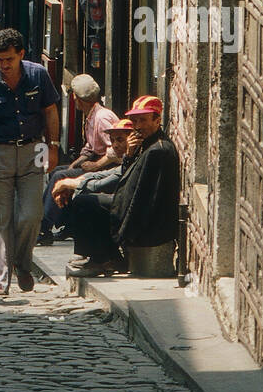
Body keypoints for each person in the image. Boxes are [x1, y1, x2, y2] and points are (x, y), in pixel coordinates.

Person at [0, 27, 60, 295]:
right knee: (1, 217)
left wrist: (53, 147)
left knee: (31, 215)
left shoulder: (38, 75)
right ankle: (1, 278)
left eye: (9, 59)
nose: (5, 65)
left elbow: (51, 111)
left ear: (21, 54)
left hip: (32, 151)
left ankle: (22, 262)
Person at [60, 96, 180, 278]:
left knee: (86, 203)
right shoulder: (144, 145)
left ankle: (102, 259)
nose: (138, 126)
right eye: (135, 120)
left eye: (144, 120)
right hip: (133, 203)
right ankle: (106, 257)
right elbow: (127, 178)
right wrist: (130, 155)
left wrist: (116, 205)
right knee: (90, 200)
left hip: (149, 216)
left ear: (157, 120)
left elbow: (142, 193)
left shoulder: (158, 150)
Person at [40, 75, 119, 244]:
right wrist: (74, 165)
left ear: (77, 98)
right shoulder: (91, 116)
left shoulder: (102, 117)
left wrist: (96, 165)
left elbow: (115, 151)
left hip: (109, 166)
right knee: (58, 171)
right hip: (97, 161)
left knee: (60, 178)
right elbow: (90, 147)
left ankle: (43, 227)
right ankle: (68, 224)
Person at [50, 120, 134, 246]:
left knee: (85, 200)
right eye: (112, 140)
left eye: (120, 140)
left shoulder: (134, 160)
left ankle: (104, 257)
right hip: (124, 202)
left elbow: (101, 184)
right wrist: (71, 183)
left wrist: (66, 184)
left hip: (132, 208)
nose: (115, 145)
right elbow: (100, 175)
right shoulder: (127, 160)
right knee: (74, 187)